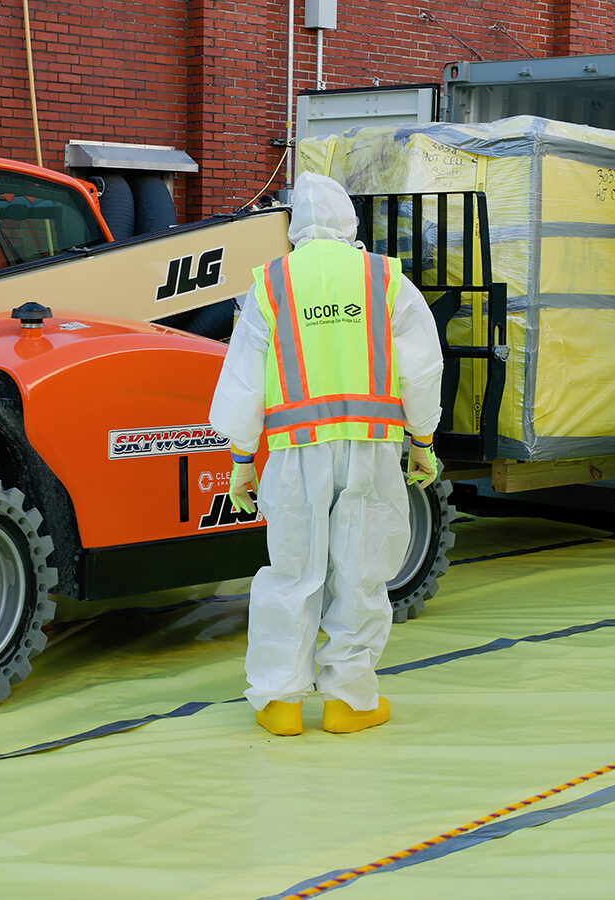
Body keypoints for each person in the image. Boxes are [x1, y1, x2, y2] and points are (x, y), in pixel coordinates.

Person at [208, 172, 443, 736]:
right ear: (350, 222)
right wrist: (423, 441)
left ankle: (279, 702)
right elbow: (422, 368)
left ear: (293, 227)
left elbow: (241, 381)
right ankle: (348, 700)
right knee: (361, 573)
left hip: (294, 454)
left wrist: (242, 460)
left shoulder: (270, 284)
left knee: (291, 572)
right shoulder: (386, 279)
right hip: (373, 449)